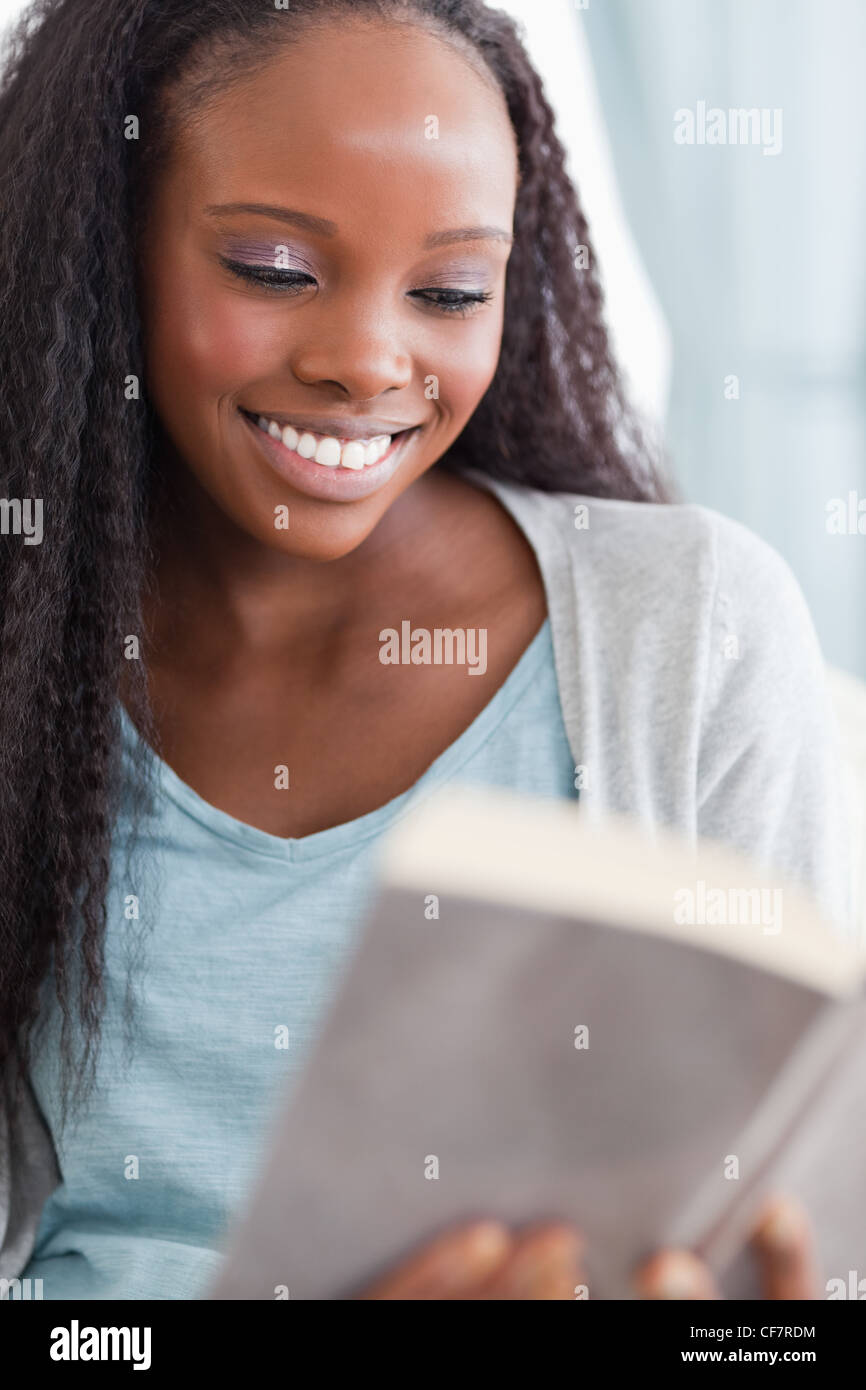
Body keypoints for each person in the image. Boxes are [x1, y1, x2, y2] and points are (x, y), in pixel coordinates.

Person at [0, 0, 849, 1301]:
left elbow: (796, 1255)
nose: (364, 361)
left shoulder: (695, 633)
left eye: (450, 290)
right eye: (275, 268)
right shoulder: (28, 651)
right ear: (108, 245)